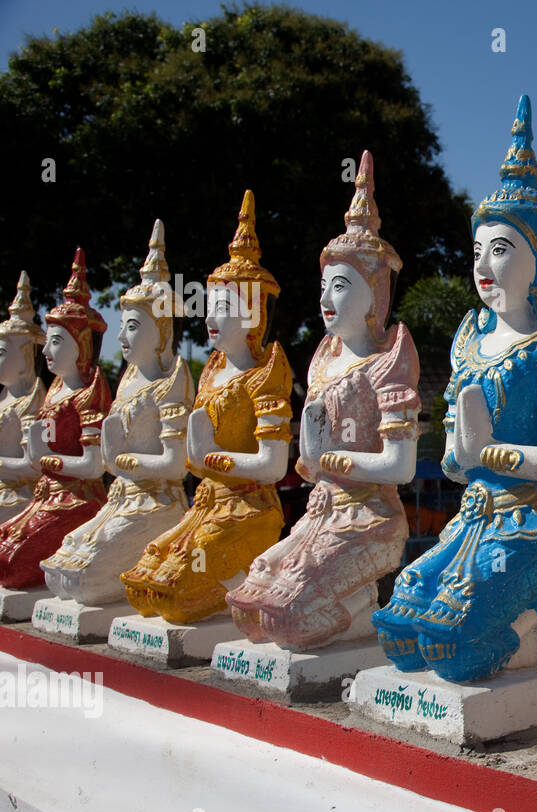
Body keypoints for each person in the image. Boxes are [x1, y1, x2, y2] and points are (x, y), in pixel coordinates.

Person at [372, 95, 537, 682]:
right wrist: (460, 452)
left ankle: (536, 630)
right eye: (478, 250)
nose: (484, 265)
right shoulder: (468, 342)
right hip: (472, 516)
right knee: (398, 628)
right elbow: (453, 463)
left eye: (502, 249)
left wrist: (494, 452)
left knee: (448, 646)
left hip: (534, 521)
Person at [227, 151, 419, 648]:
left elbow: (399, 467)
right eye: (323, 286)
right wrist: (314, 459)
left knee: (283, 617)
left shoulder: (390, 357)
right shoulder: (322, 360)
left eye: (340, 286)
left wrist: (336, 459)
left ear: (376, 294)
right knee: (247, 603)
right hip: (319, 512)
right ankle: (342, 604)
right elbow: (311, 467)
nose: (325, 299)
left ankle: (356, 611)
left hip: (371, 517)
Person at [121, 192, 293, 624]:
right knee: (145, 576)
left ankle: (236, 583)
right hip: (205, 503)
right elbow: (190, 463)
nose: (209, 320)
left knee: (174, 591)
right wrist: (199, 457)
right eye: (209, 308)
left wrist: (211, 455)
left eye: (223, 308)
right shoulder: (213, 370)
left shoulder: (268, 373)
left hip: (251, 506)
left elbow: (273, 467)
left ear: (253, 313)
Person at [42, 222, 193, 605]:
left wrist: (123, 460)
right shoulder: (127, 382)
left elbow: (176, 466)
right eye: (122, 328)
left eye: (133, 328)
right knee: (65, 557)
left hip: (158, 500)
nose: (122, 339)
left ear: (161, 331)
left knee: (84, 575)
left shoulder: (172, 380)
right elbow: (107, 460)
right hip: (120, 498)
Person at [0, 250, 111, 589]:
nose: (46, 352)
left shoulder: (90, 393)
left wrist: (42, 459)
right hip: (45, 494)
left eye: (57, 342)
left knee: (12, 559)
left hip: (78, 498)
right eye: (46, 343)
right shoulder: (54, 393)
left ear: (82, 345)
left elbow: (93, 467)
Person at [0, 273, 47, 524]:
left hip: (19, 495)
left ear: (26, 357)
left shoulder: (34, 401)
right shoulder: (4, 399)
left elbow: (34, 465)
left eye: (1, 352)